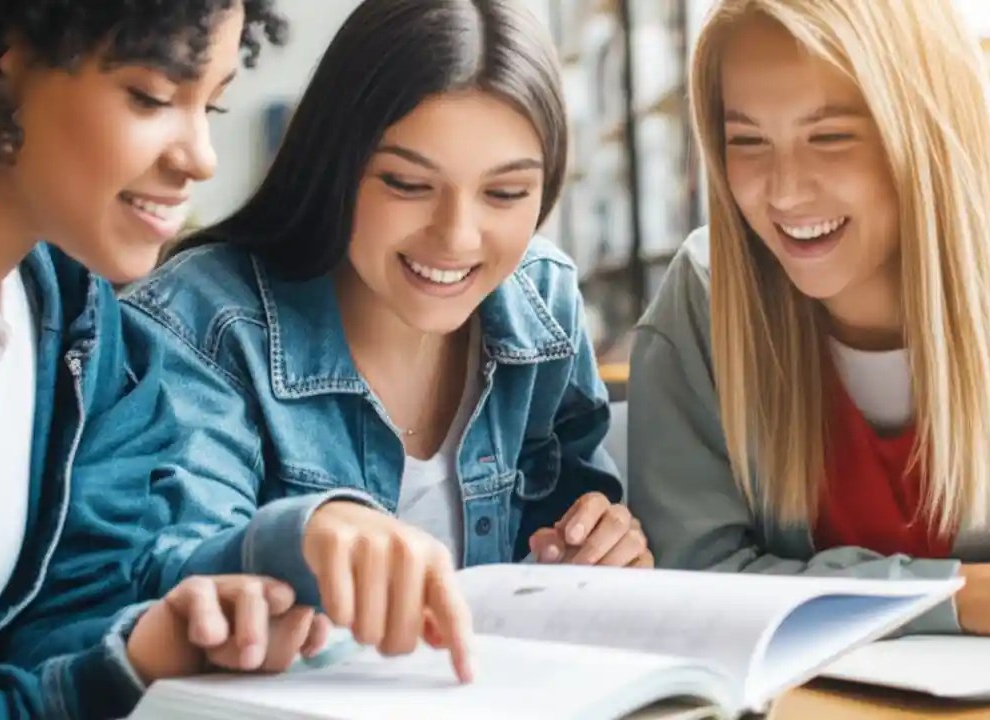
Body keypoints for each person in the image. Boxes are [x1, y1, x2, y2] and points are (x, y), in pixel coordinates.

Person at [120, 0, 652, 681]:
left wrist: (605, 549)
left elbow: (566, 542)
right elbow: (170, 570)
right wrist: (300, 541)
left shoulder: (539, 302)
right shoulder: (203, 322)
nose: (457, 237)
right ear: (335, 165)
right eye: (407, 183)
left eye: (506, 193)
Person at [0, 2, 327, 718]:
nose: (200, 157)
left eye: (211, 107)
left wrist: (146, 647)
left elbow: (90, 593)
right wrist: (63, 696)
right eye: (153, 97)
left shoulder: (78, 329)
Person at [628, 0, 990, 642]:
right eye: (746, 141)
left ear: (928, 131)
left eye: (829, 136)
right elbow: (691, 580)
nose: (784, 192)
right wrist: (952, 596)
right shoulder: (701, 299)